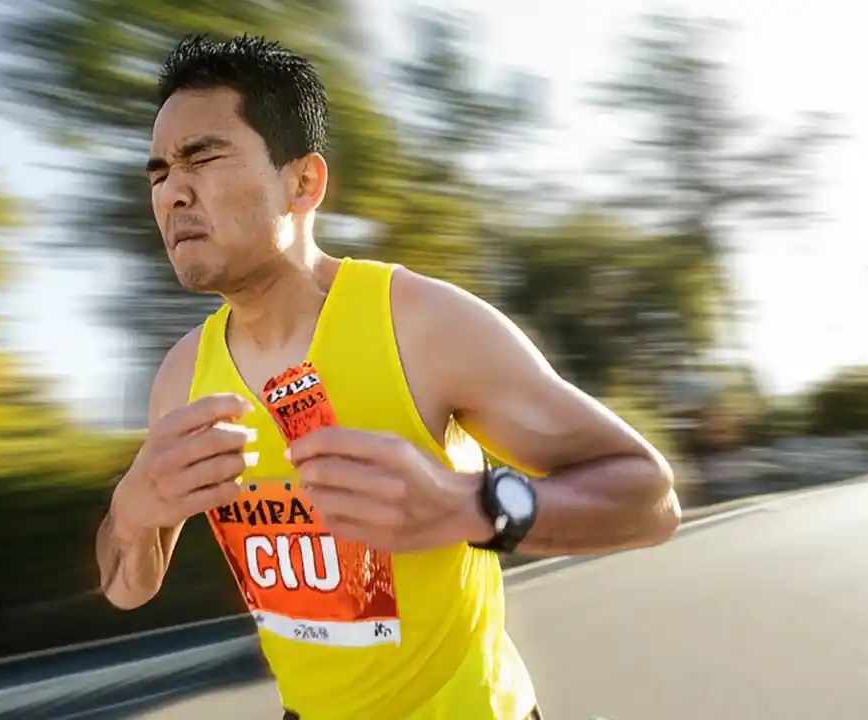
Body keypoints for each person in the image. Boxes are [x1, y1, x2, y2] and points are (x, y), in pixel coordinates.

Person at [94, 33, 681, 720]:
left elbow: (650, 498)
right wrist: (130, 513)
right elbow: (127, 587)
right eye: (159, 173)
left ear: (303, 183)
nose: (172, 193)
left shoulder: (421, 326)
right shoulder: (181, 379)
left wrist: (471, 506)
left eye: (203, 158)